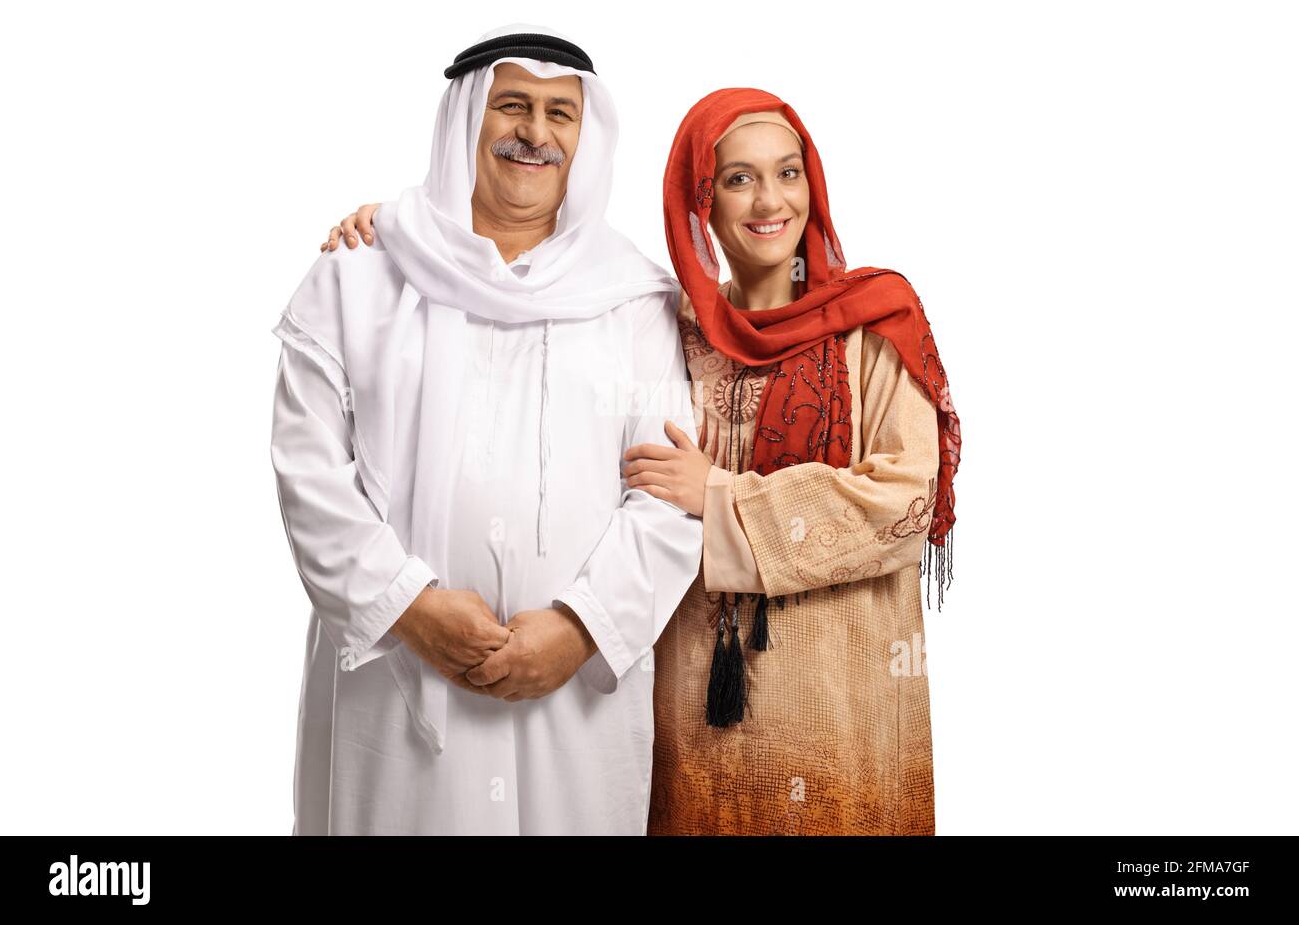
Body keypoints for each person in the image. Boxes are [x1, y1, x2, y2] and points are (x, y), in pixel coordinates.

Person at [321, 88, 961, 835]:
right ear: (702, 203)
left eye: (789, 174)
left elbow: (906, 505)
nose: (769, 200)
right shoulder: (669, 323)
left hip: (838, 704)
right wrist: (403, 231)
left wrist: (720, 498)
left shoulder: (874, 324)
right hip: (693, 715)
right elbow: (537, 293)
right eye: (738, 178)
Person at [271, 24, 702, 835]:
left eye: (559, 114)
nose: (536, 134)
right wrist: (411, 610)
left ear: (586, 133)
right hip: (397, 680)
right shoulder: (358, 275)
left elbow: (669, 496)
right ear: (467, 118)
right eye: (513, 106)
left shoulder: (633, 300)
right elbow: (309, 477)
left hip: (574, 701)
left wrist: (580, 629)